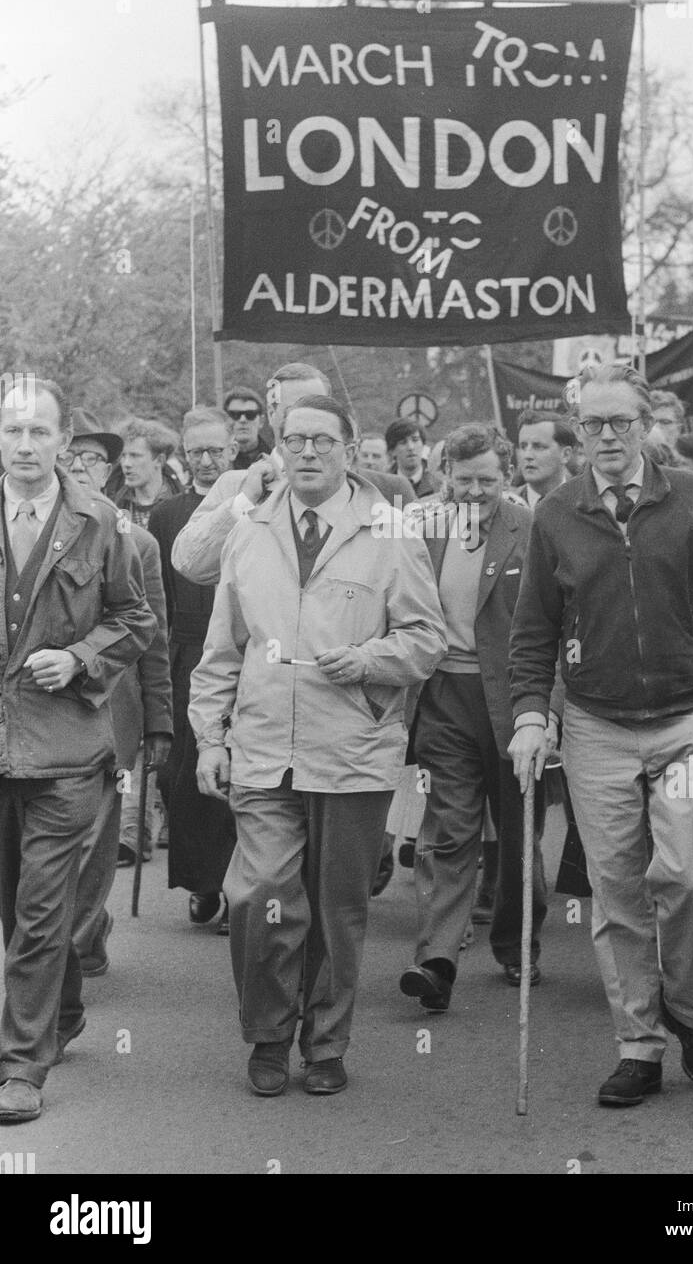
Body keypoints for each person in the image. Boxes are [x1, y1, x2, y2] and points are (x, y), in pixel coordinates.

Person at [189, 394, 446, 1097]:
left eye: (322, 441)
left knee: (337, 908)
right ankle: (269, 1036)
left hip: (352, 749)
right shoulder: (250, 528)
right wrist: (210, 738)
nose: (307, 452)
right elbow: (222, 648)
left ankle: (326, 1043)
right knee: (259, 895)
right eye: (294, 440)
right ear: (278, 448)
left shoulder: (390, 531)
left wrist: (367, 660)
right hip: (263, 746)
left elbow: (427, 639)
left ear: (349, 449)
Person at [508, 363, 693, 1108]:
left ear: (645, 425)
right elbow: (534, 630)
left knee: (688, 879)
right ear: (578, 432)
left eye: (620, 422)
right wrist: (530, 716)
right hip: (596, 725)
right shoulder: (556, 513)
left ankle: (686, 1009)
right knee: (617, 893)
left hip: (688, 717)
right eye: (592, 424)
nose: (606, 436)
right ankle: (639, 1045)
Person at [0, 378, 155, 1125]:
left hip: (66, 752)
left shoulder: (100, 522)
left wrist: (80, 658)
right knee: (15, 909)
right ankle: (60, 1009)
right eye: (13, 430)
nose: (25, 445)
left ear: (64, 440)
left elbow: (135, 618)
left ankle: (20, 1064)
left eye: (40, 431)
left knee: (38, 910)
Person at [399, 424, 551, 1012]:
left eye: (487, 480)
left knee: (516, 833)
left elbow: (560, 619)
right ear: (446, 477)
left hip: (514, 702)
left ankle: (517, 945)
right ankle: (436, 959)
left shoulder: (531, 528)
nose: (475, 491)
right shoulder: (423, 527)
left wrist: (550, 711)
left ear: (506, 476)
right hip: (444, 699)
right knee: (450, 829)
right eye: (464, 480)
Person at [60, 410, 171, 976]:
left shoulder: (139, 543)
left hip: (112, 714)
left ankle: (75, 946)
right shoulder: (27, 534)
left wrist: (160, 721)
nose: (81, 467)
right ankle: (81, 929)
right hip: (41, 709)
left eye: (94, 459)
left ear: (111, 471)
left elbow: (154, 637)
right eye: (71, 456)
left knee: (97, 835)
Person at [172, 363, 415, 587]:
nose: (306, 419)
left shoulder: (386, 490)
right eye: (293, 410)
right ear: (271, 414)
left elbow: (409, 588)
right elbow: (190, 563)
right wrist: (244, 501)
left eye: (317, 407)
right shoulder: (236, 487)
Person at [148, 407, 238, 934]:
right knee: (183, 776)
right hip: (185, 656)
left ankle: (237, 887)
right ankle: (203, 880)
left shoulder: (255, 502)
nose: (206, 461)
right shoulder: (167, 515)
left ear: (234, 451)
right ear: (184, 454)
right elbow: (154, 598)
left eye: (216, 450)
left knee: (240, 770)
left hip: (245, 656)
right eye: (196, 451)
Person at [114, 418, 182, 529]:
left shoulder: (179, 504)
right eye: (123, 456)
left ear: (159, 460)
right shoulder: (118, 504)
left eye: (135, 456)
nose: (126, 463)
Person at [515, 411, 576, 507]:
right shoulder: (504, 504)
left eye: (538, 447)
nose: (527, 455)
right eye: (523, 447)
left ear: (565, 455)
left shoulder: (586, 503)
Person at [223, 385, 272, 470]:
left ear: (261, 421)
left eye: (250, 414)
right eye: (235, 415)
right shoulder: (216, 463)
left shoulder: (275, 459)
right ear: (225, 420)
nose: (243, 420)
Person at [385, 417, 437, 496]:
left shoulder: (437, 482)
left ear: (423, 445)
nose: (410, 447)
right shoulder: (384, 485)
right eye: (403, 442)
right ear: (392, 451)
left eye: (415, 440)